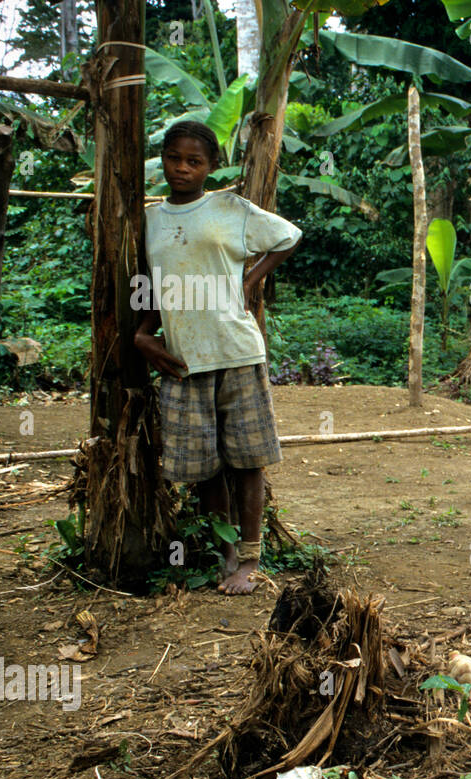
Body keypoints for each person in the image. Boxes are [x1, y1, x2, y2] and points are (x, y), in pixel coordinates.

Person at [133, 120, 301, 594]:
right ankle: (223, 554)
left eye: (194, 161)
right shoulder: (150, 219)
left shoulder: (228, 207)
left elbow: (288, 236)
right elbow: (151, 284)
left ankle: (250, 558)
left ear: (209, 167)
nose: (182, 168)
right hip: (183, 359)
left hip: (236, 350)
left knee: (248, 461)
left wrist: (251, 281)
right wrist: (144, 335)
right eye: (173, 158)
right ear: (161, 158)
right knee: (203, 467)